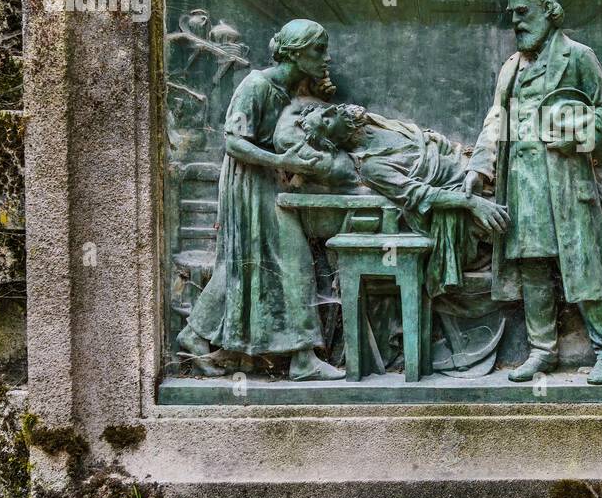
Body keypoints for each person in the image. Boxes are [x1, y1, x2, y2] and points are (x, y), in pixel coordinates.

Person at [463, 0, 602, 385]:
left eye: (523, 13)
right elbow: (496, 121)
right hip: (523, 186)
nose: (515, 22)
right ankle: (542, 351)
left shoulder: (578, 56)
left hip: (566, 183)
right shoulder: (511, 68)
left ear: (549, 11)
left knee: (583, 267)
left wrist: (579, 134)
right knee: (533, 268)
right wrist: (478, 169)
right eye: (512, 15)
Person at [176, 19, 343, 381]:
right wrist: (282, 161)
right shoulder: (256, 84)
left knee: (244, 264)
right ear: (295, 53)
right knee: (288, 260)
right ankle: (302, 358)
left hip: (268, 180)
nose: (326, 58)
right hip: (249, 182)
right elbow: (234, 142)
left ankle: (195, 335)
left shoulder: (289, 89)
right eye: (318, 50)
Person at [280, 101, 509, 296]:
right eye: (327, 121)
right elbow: (420, 195)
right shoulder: (372, 167)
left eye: (326, 111)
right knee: (517, 224)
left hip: (476, 168)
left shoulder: (373, 122)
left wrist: (476, 167)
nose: (333, 111)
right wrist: (472, 203)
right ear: (333, 142)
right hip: (463, 200)